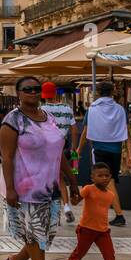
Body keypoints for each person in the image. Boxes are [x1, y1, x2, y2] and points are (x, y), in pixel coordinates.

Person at [0, 76, 74, 260]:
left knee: (46, 235)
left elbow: (58, 151)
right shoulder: (12, 121)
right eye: (27, 89)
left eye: (36, 89)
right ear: (18, 93)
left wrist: (72, 179)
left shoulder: (48, 117)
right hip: (25, 188)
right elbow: (7, 157)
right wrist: (10, 189)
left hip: (49, 186)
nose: (33, 92)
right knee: (36, 235)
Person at [60, 162, 125, 260]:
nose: (104, 178)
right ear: (92, 177)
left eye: (107, 175)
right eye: (100, 175)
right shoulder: (88, 189)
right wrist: (73, 198)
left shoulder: (110, 195)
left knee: (109, 255)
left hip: (103, 231)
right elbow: (77, 200)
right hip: (86, 229)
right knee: (80, 252)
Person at [40, 81, 79, 224]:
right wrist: (74, 149)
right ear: (56, 93)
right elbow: (74, 130)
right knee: (60, 177)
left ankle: (53, 211)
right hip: (62, 145)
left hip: (46, 147)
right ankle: (67, 206)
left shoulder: (41, 109)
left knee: (49, 178)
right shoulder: (66, 108)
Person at [85, 82, 131, 201]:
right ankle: (109, 207)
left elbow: (85, 131)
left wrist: (79, 150)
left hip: (99, 150)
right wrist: (130, 154)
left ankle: (117, 212)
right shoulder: (121, 110)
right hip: (116, 151)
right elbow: (127, 133)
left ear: (97, 93)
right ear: (113, 92)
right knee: (110, 180)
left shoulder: (92, 109)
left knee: (104, 181)